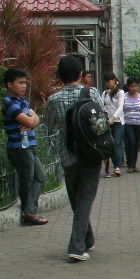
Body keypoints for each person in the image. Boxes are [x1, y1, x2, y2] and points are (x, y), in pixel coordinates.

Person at [44, 56, 102, 261]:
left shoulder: (53, 100)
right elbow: (101, 120)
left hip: (68, 155)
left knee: (77, 199)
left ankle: (88, 239)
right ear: (80, 74)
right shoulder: (92, 93)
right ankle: (77, 247)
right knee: (84, 201)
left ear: (59, 77)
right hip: (92, 153)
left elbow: (49, 127)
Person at [1, 67, 47, 226]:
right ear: (9, 84)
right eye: (20, 83)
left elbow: (36, 119)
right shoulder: (8, 102)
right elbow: (30, 121)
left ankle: (29, 211)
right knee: (27, 180)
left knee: (40, 178)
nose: (24, 86)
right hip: (19, 146)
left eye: (25, 83)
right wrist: (31, 119)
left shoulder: (22, 101)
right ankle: (30, 212)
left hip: (29, 145)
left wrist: (32, 119)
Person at [101, 72, 125, 177]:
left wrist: (113, 117)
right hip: (107, 122)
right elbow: (102, 105)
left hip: (118, 121)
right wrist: (106, 115)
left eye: (109, 82)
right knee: (109, 144)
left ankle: (117, 166)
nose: (108, 84)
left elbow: (120, 107)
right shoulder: (105, 93)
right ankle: (108, 167)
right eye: (106, 82)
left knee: (117, 143)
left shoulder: (120, 92)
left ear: (114, 80)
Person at [121, 78, 140, 172]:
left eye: (136, 86)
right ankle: (129, 163)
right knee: (131, 142)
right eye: (132, 86)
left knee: (136, 144)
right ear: (128, 86)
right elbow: (121, 109)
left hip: (138, 124)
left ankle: (134, 165)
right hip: (127, 123)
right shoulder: (124, 96)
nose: (134, 88)